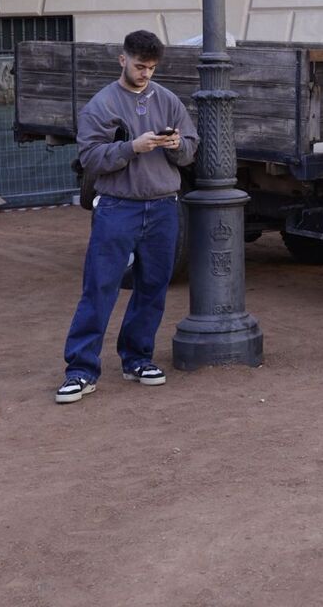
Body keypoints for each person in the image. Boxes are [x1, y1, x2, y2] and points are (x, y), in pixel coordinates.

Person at [57, 31, 199, 404]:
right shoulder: (101, 105)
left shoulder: (167, 100)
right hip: (118, 206)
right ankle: (81, 369)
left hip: (164, 205)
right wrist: (132, 148)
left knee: (153, 286)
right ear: (123, 60)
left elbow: (191, 150)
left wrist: (176, 145)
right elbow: (90, 157)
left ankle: (137, 358)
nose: (145, 74)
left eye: (152, 68)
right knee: (100, 286)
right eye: (140, 66)